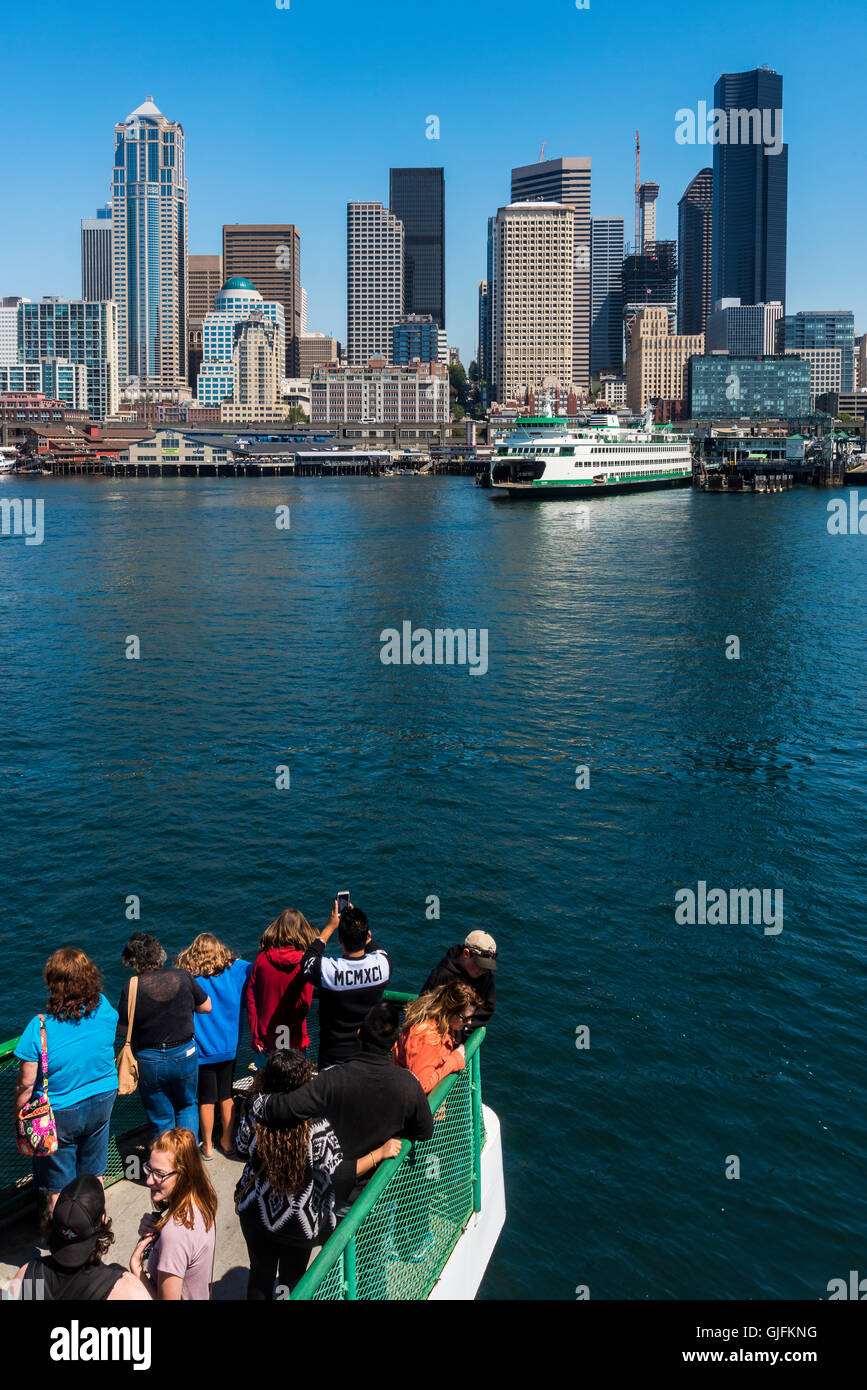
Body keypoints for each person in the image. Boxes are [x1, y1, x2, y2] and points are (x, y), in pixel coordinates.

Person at [250, 1002, 432, 1211]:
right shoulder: (408, 1083)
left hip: (336, 1188)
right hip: (381, 1187)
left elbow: (285, 1108)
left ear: (358, 1034)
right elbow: (425, 1131)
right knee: (376, 1241)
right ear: (393, 1045)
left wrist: (255, 1101)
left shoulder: (332, 1079)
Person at [13, 948, 119, 1215]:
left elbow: (25, 1084)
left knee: (59, 1187)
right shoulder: (104, 1007)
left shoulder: (39, 1027)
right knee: (93, 1176)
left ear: (53, 985)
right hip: (103, 1097)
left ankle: (65, 1238)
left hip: (60, 1112)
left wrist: (19, 1114)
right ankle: (95, 1228)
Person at [117, 933, 212, 1141]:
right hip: (184, 1052)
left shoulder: (132, 986)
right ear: (159, 954)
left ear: (132, 962)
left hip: (150, 1059)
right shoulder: (182, 976)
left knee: (161, 1117)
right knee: (187, 1106)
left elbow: (124, 1030)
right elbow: (206, 1006)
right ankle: (188, 1161)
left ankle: (166, 1167)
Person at [9, 1175, 149, 1301]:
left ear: (53, 1218)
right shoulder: (124, 1289)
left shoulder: (29, 1276)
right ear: (102, 1219)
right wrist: (137, 1269)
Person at [176, 933, 252, 1158]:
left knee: (206, 1100)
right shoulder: (235, 971)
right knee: (226, 1096)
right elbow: (256, 968)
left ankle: (207, 1146)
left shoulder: (189, 977)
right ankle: (227, 1142)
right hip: (228, 1046)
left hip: (201, 1049)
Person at [300, 900, 391, 1068]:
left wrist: (329, 927)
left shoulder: (328, 970)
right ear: (366, 936)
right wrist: (361, 930)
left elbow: (306, 962)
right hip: (368, 1055)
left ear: (340, 940)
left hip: (334, 1057)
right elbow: (377, 949)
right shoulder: (383, 966)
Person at [129, 1127, 218, 1300]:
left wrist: (137, 1268)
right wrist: (159, 1233)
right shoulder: (202, 1201)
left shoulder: (175, 1233)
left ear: (184, 1174)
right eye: (149, 1169)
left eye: (159, 1174)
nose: (148, 1181)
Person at [246, 908, 318, 1062]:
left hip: (266, 1041)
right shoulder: (304, 963)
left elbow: (251, 1001)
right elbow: (304, 1003)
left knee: (266, 1084)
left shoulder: (261, 960)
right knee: (296, 1084)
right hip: (294, 1041)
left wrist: (255, 1036)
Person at [393, 980, 481, 1094]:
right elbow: (421, 1086)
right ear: (449, 1011)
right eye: (464, 1018)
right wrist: (453, 1061)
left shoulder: (441, 1024)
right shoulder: (428, 1038)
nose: (469, 1022)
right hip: (413, 1105)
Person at [420, 930, 497, 1039]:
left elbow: (487, 1009)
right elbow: (425, 1007)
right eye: (480, 964)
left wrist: (462, 1032)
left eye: (487, 967)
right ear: (466, 953)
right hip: (436, 1036)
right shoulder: (442, 974)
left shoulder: (485, 975)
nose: (483, 970)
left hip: (460, 1037)